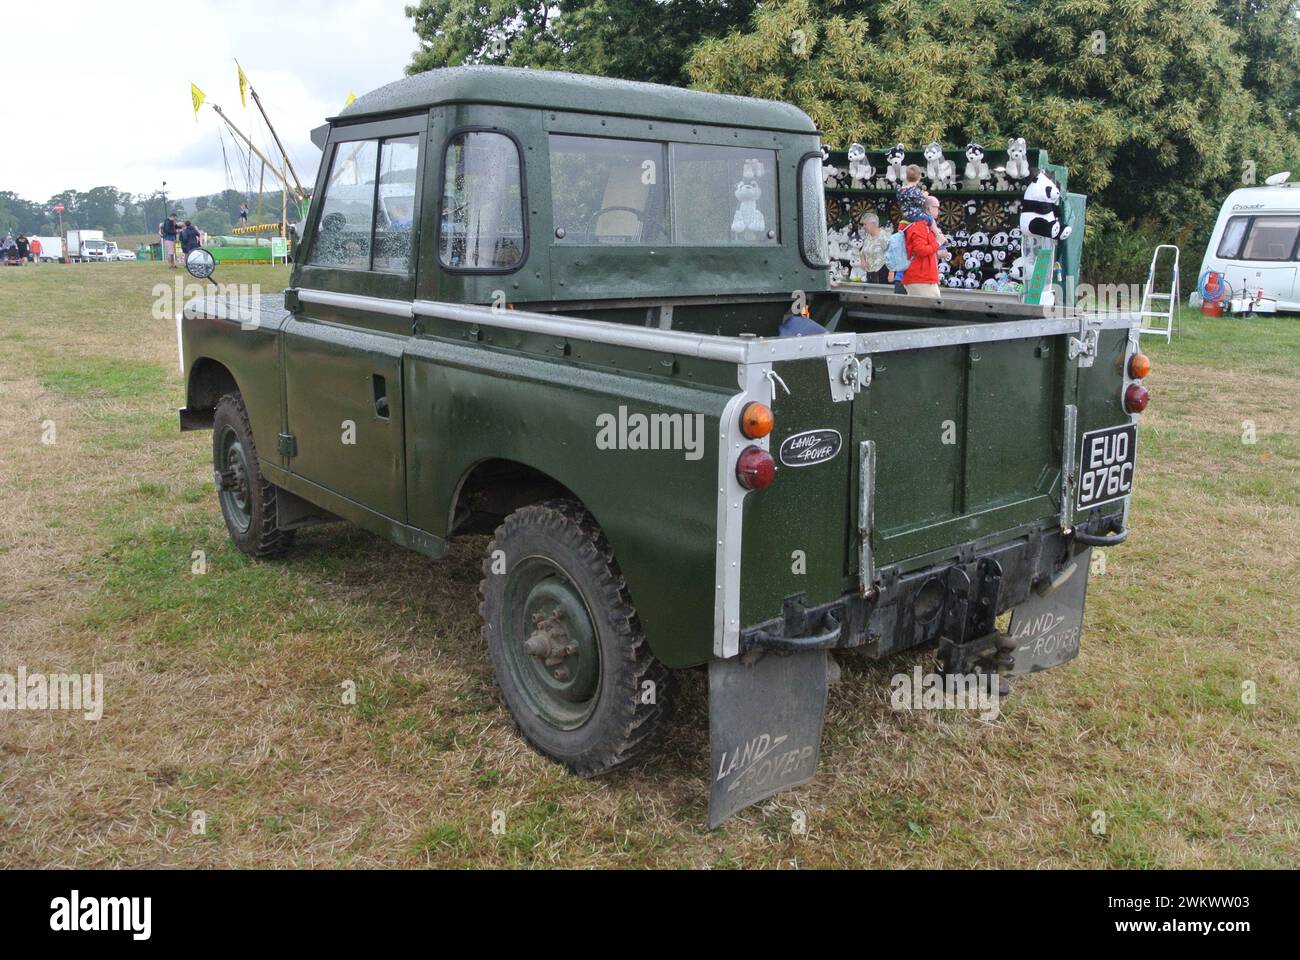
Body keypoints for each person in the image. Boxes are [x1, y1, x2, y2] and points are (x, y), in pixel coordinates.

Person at [900, 194, 945, 298]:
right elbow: (921, 250)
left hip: (925, 278)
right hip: (920, 278)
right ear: (929, 208)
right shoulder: (920, 225)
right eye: (937, 207)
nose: (939, 211)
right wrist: (938, 242)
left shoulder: (927, 227)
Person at [857, 212, 889, 284]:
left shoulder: (884, 237)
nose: (863, 227)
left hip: (882, 273)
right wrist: (863, 261)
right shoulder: (868, 236)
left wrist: (891, 273)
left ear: (873, 224)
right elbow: (862, 251)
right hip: (870, 273)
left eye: (865, 224)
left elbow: (892, 255)